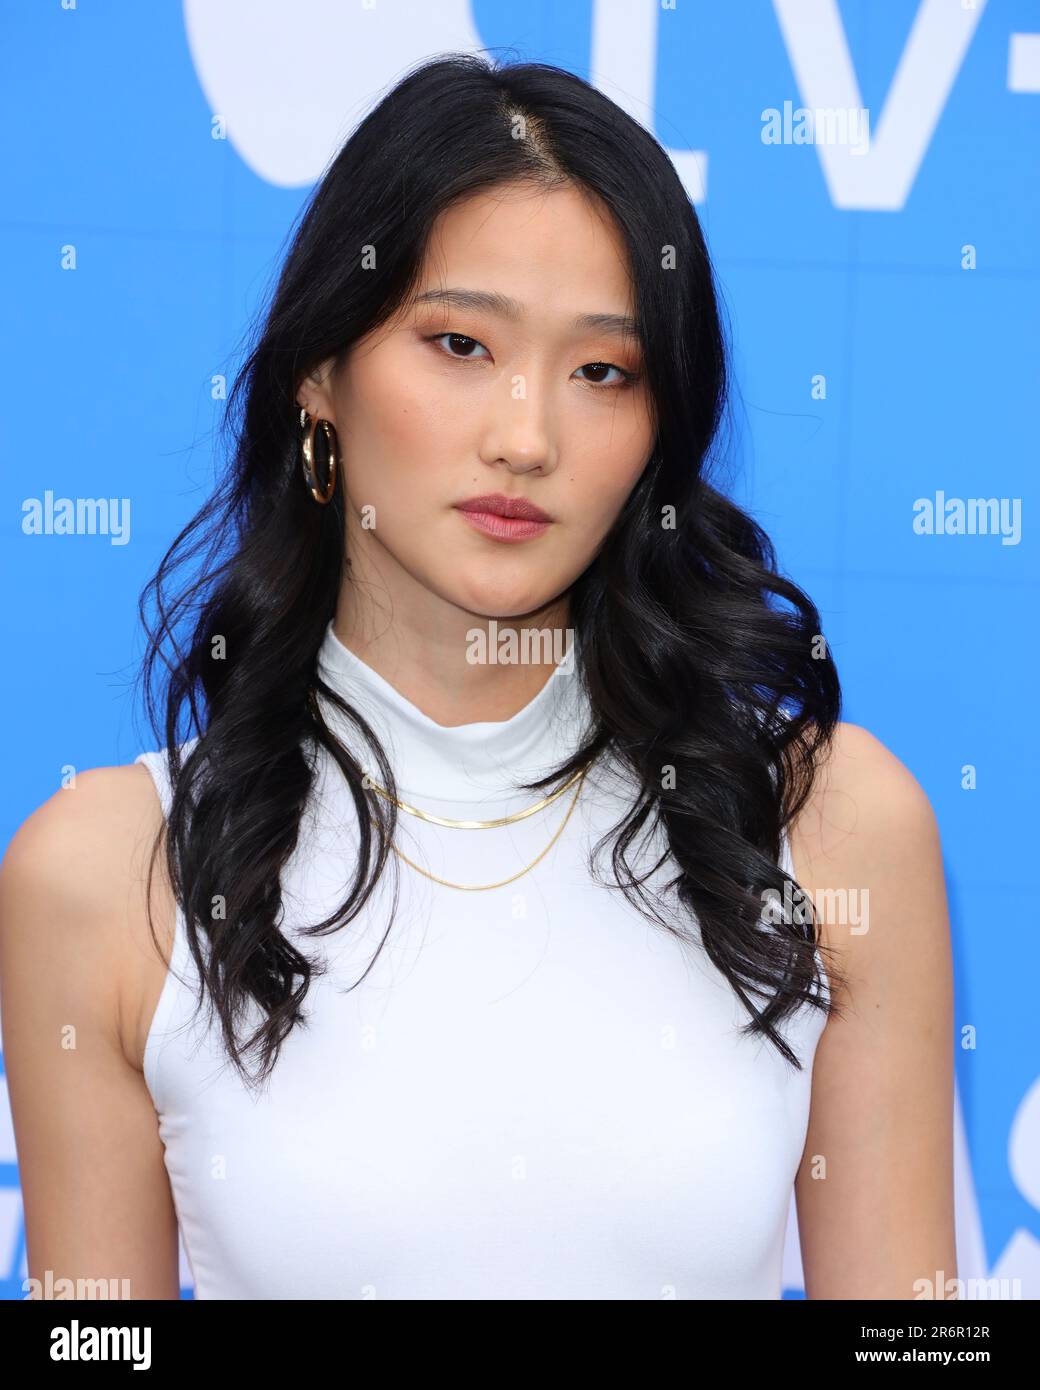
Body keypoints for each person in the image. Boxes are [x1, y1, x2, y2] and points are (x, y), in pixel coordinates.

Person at [0, 53, 955, 1300]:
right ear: (319, 374)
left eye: (600, 372)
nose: (526, 434)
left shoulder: (824, 823)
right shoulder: (105, 870)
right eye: (457, 343)